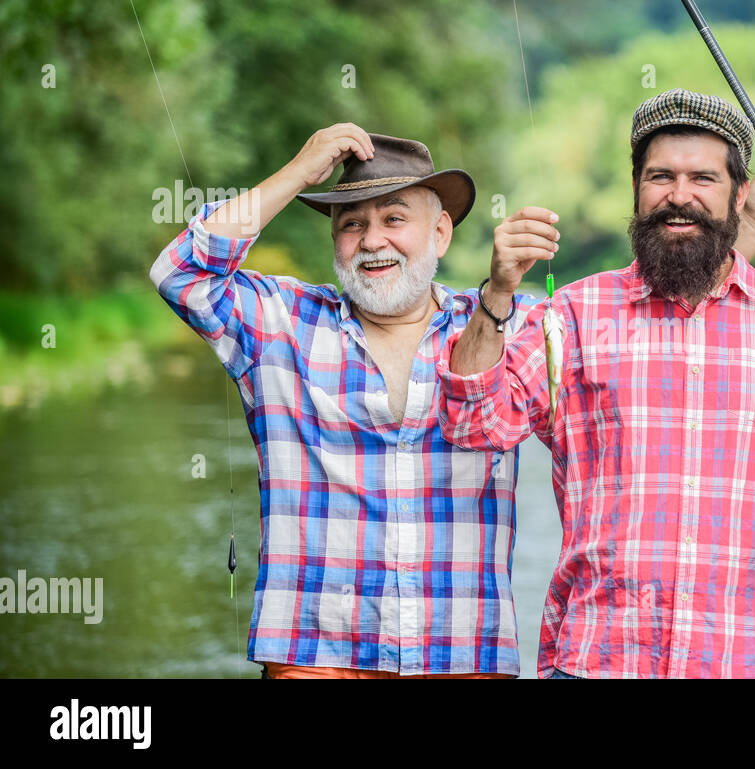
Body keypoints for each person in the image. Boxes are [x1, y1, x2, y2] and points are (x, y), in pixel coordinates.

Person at [437, 89, 755, 678]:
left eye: (703, 178)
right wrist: (497, 293)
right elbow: (472, 427)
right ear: (636, 188)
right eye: (661, 176)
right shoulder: (574, 314)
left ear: (737, 195)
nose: (679, 196)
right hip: (599, 660)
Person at [151, 125, 528, 678]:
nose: (372, 241)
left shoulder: (503, 324)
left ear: (440, 232)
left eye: (394, 219)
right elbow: (179, 273)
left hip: (461, 650)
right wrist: (299, 172)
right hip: (313, 657)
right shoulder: (282, 321)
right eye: (353, 225)